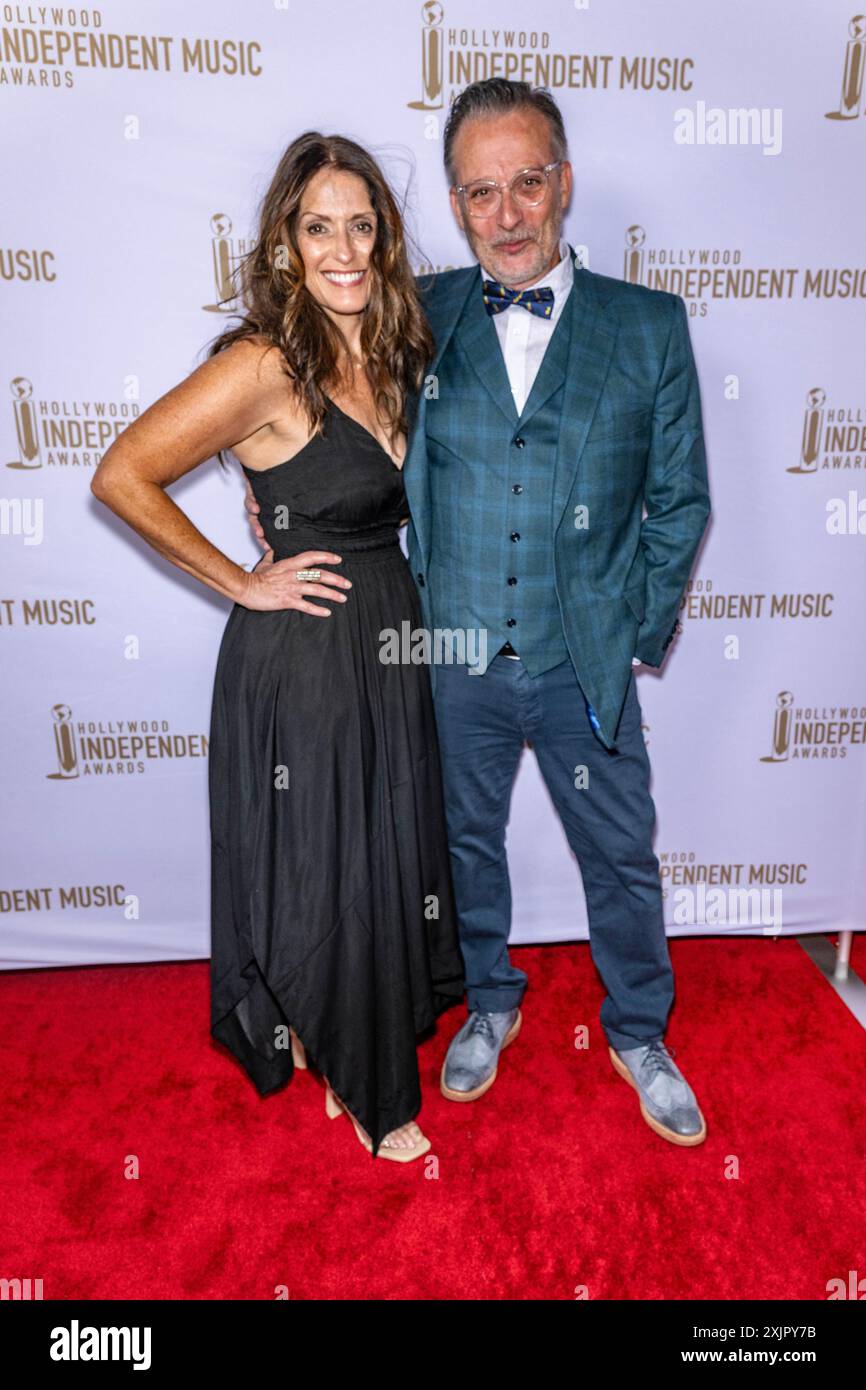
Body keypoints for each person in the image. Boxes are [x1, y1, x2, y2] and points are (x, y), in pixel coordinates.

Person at [247, 80, 712, 1148]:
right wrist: (271, 498)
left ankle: (639, 1029)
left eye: (527, 183)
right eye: (480, 192)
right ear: (456, 206)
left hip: (580, 659)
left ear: (562, 182)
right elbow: (320, 399)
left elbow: (678, 499)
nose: (506, 214)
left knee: (620, 852)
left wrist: (627, 627)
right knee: (460, 845)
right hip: (446, 647)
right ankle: (488, 1001)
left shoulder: (647, 328)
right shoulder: (421, 312)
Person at [91, 131, 465, 1163]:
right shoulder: (264, 363)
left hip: (387, 635)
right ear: (285, 244)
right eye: (318, 228)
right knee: (331, 865)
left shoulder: (393, 348)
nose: (342, 249)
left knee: (379, 855)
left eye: (361, 226)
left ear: (385, 241)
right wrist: (244, 578)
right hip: (303, 653)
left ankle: (329, 1025)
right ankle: (370, 1083)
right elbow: (121, 474)